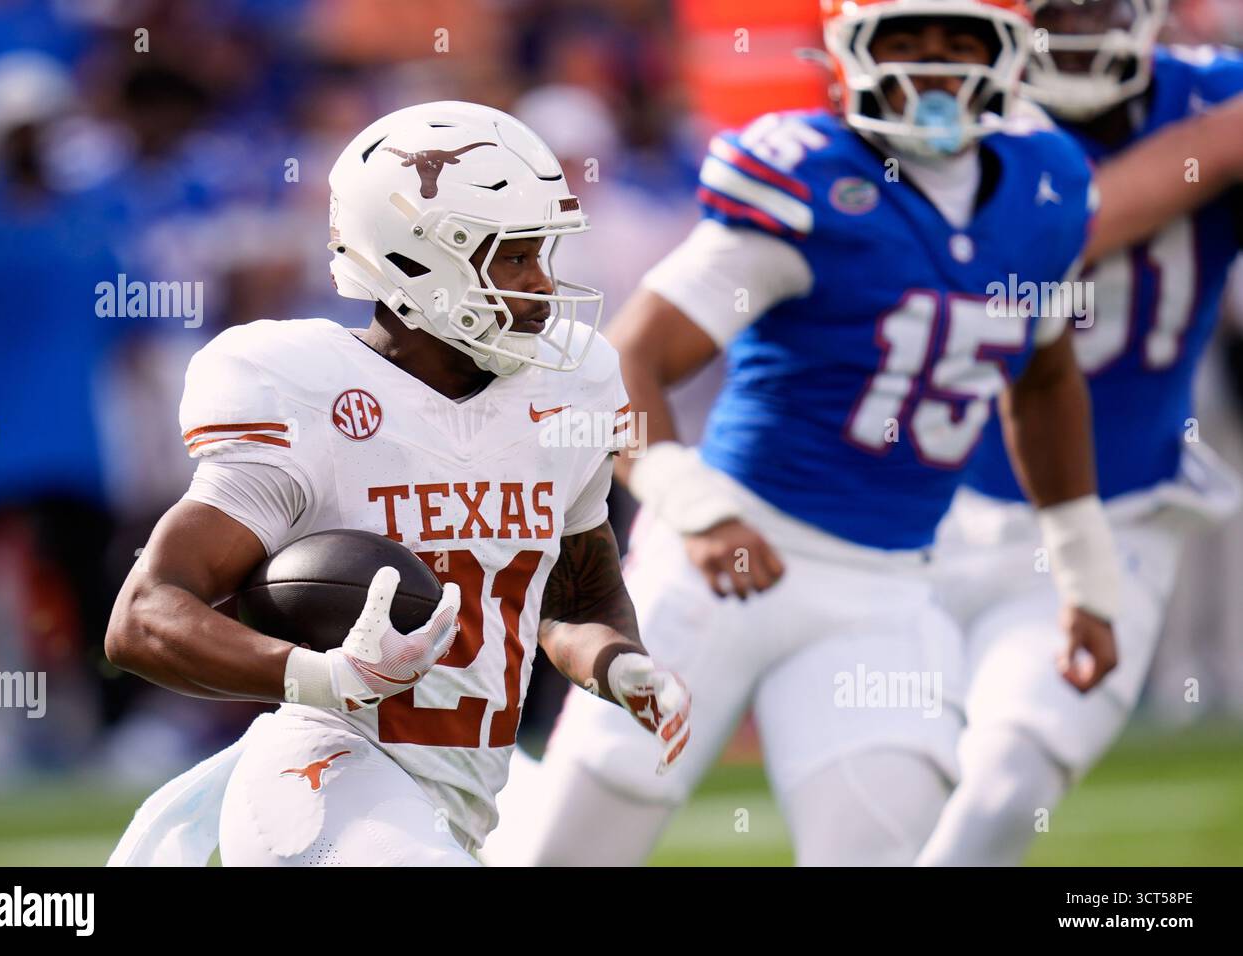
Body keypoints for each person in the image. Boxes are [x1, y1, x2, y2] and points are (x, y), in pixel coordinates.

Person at [483, 0, 1122, 867]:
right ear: (850, 51)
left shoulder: (1044, 189)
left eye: (958, 43)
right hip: (726, 561)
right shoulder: (809, 178)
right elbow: (625, 358)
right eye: (906, 41)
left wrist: (1083, 573)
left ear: (1006, 54)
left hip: (886, 589)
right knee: (565, 856)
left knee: (879, 850)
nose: (933, 67)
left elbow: (1044, 381)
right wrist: (692, 505)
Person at [104, 101, 690, 866]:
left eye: (543, 254)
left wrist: (620, 663)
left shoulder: (570, 388)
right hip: (321, 775)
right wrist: (324, 676)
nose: (544, 286)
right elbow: (142, 618)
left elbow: (570, 600)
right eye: (513, 258)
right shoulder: (307, 391)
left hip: (461, 795)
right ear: (420, 260)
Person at [917, 0, 1243, 866]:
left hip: (1116, 519)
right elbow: (1053, 235)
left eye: (1100, 3)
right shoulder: (944, 101)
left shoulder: (1214, 91)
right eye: (1060, 6)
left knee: (1005, 781)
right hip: (922, 513)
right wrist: (1207, 150)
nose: (1081, 23)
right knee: (881, 802)